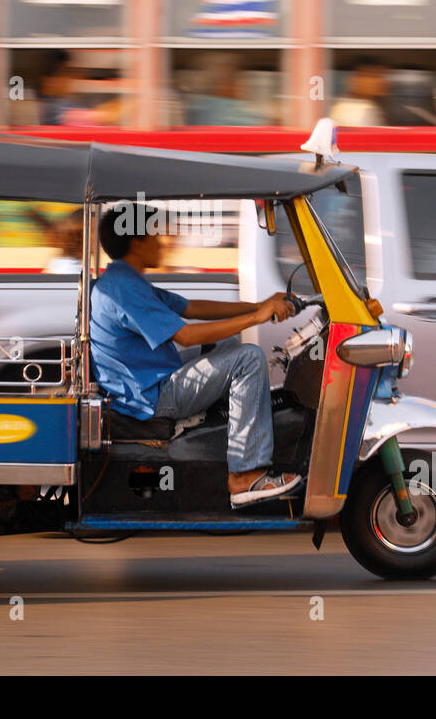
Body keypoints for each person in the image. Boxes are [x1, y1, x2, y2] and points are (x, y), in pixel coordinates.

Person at [89, 203, 303, 508]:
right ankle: (244, 475)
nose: (163, 243)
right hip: (153, 397)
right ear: (137, 243)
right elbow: (186, 334)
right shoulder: (124, 289)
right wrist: (257, 318)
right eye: (157, 236)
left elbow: (192, 308)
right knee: (249, 358)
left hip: (150, 381)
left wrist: (259, 305)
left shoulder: (124, 280)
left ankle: (220, 436)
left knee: (227, 342)